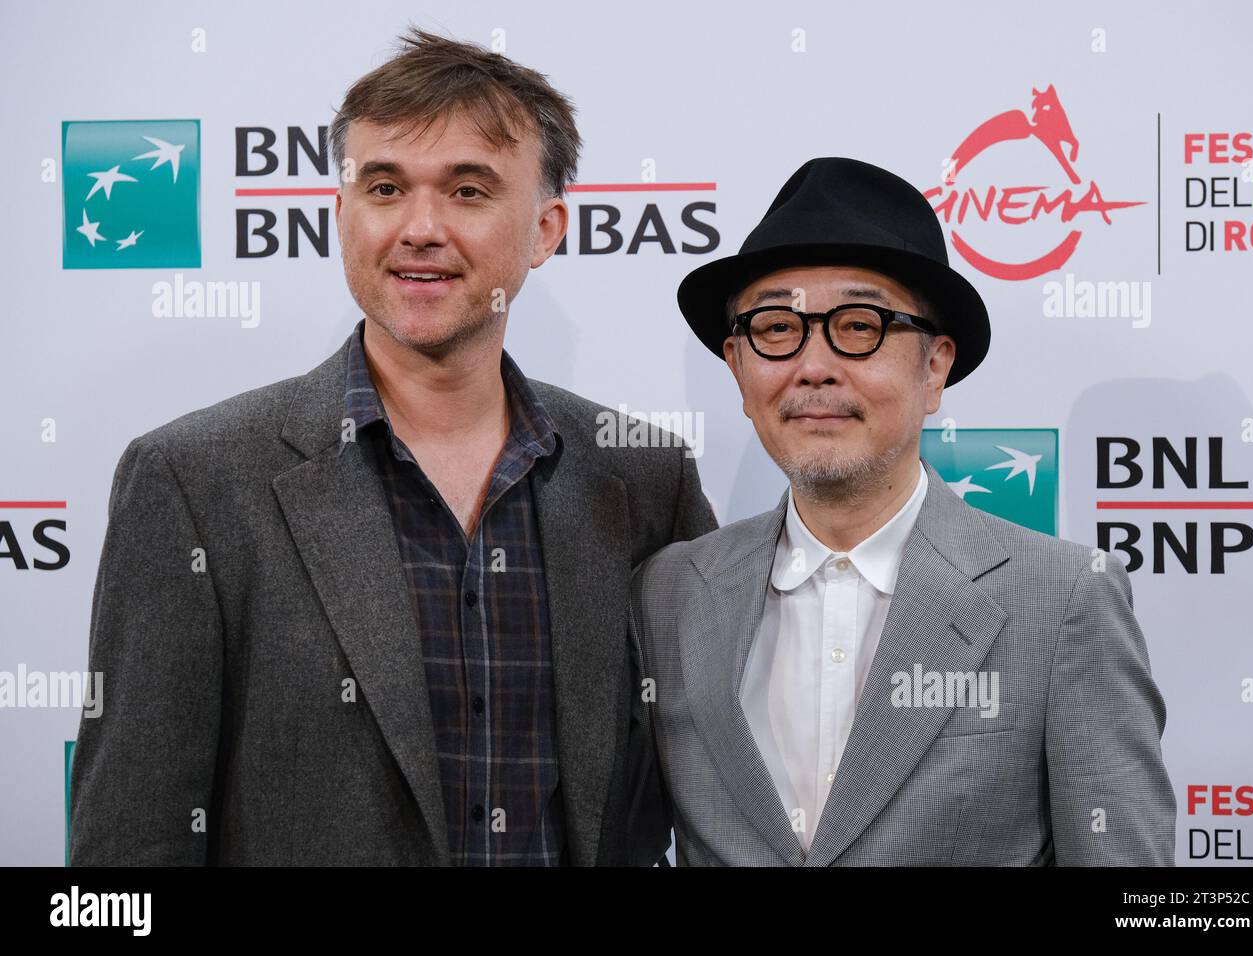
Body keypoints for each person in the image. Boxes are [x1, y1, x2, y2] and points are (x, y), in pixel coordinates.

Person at [70, 28, 714, 866]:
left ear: (546, 229)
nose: (419, 228)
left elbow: (705, 786)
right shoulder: (194, 481)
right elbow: (129, 849)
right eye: (384, 186)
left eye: (469, 190)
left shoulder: (640, 474)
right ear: (343, 215)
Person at [630, 156, 1176, 865]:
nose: (814, 365)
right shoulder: (669, 593)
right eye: (774, 328)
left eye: (859, 325)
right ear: (737, 366)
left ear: (935, 366)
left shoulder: (1065, 600)